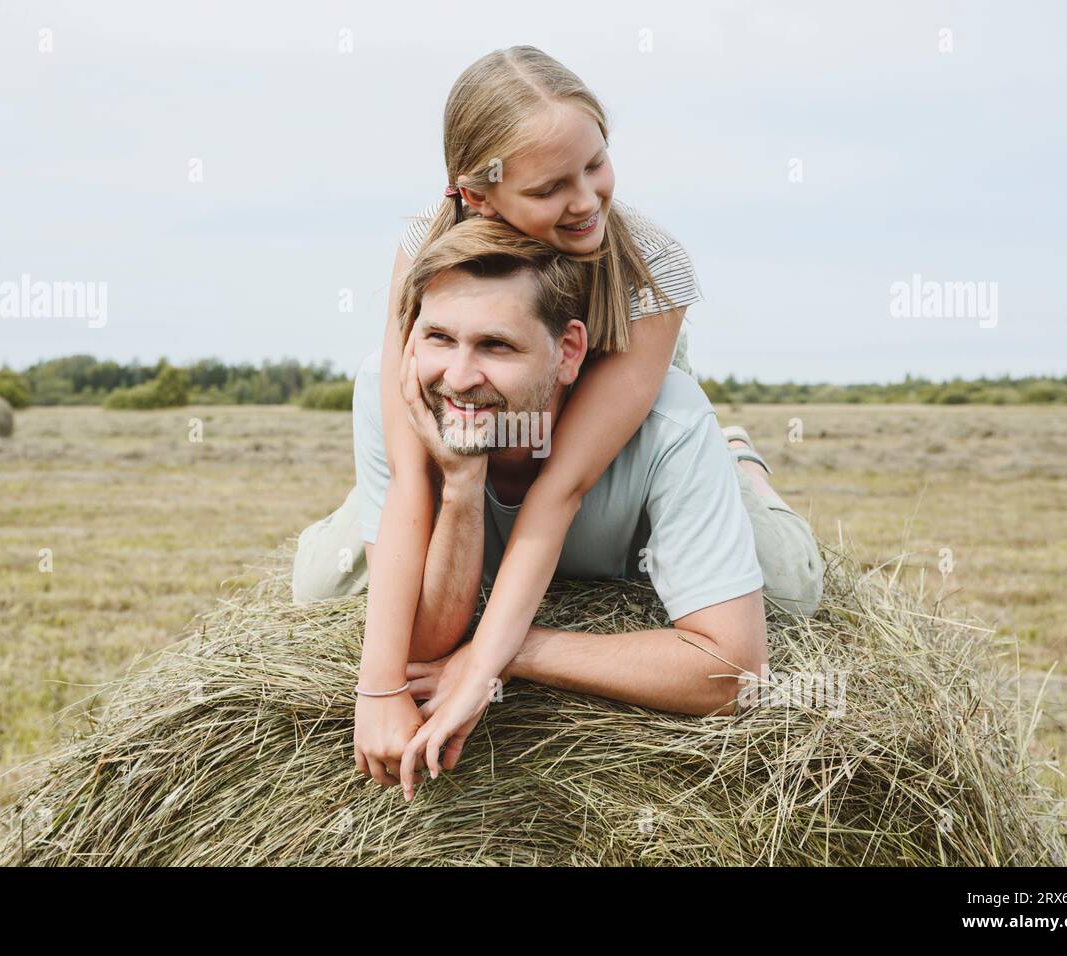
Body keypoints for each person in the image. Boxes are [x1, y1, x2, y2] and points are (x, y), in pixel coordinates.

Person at [299, 216, 824, 799]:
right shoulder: (391, 385)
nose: (459, 375)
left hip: (649, 435)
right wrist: (460, 480)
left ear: (569, 350)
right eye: (439, 337)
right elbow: (425, 645)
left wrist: (509, 651)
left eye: (497, 344)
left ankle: (738, 460)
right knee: (320, 582)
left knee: (791, 587)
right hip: (434, 477)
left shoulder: (668, 421)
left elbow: (733, 673)